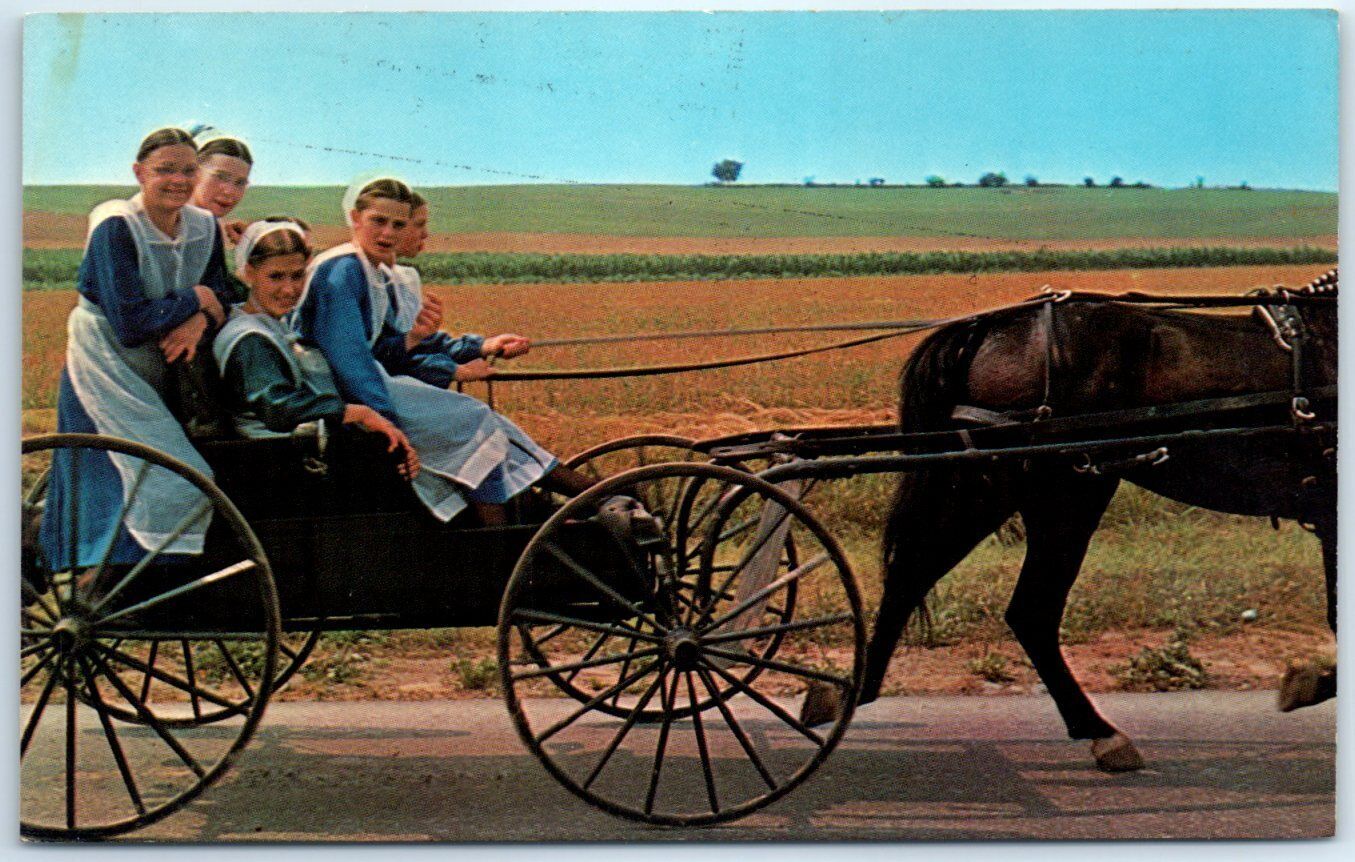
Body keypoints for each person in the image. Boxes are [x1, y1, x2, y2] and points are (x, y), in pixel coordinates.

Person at [290, 177, 595, 524]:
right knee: (473, 419)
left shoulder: (369, 270)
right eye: (378, 221)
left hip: (361, 383)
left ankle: (541, 514)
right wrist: (388, 424)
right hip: (336, 389)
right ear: (355, 218)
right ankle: (505, 536)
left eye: (398, 224)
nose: (387, 233)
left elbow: (385, 347)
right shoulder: (341, 271)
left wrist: (466, 344)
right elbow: (351, 361)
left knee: (476, 422)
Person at [39, 127, 235, 571]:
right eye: (165, 170)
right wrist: (196, 297)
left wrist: (201, 318)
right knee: (126, 471)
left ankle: (142, 573)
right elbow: (129, 323)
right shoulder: (116, 225)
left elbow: (223, 293)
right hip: (104, 362)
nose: (178, 180)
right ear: (139, 172)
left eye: (188, 170)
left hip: (163, 363)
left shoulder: (203, 227)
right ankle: (97, 571)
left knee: (140, 470)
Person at [214, 218, 418, 479]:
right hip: (270, 464)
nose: (289, 289)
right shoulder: (248, 337)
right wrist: (358, 413)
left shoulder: (271, 324)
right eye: (275, 277)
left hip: (294, 450)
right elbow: (278, 407)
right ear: (249, 273)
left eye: (297, 275)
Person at [382, 191, 529, 388]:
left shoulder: (404, 278)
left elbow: (420, 345)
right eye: (419, 224)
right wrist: (455, 371)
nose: (426, 234)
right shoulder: (370, 282)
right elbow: (381, 359)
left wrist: (484, 346)